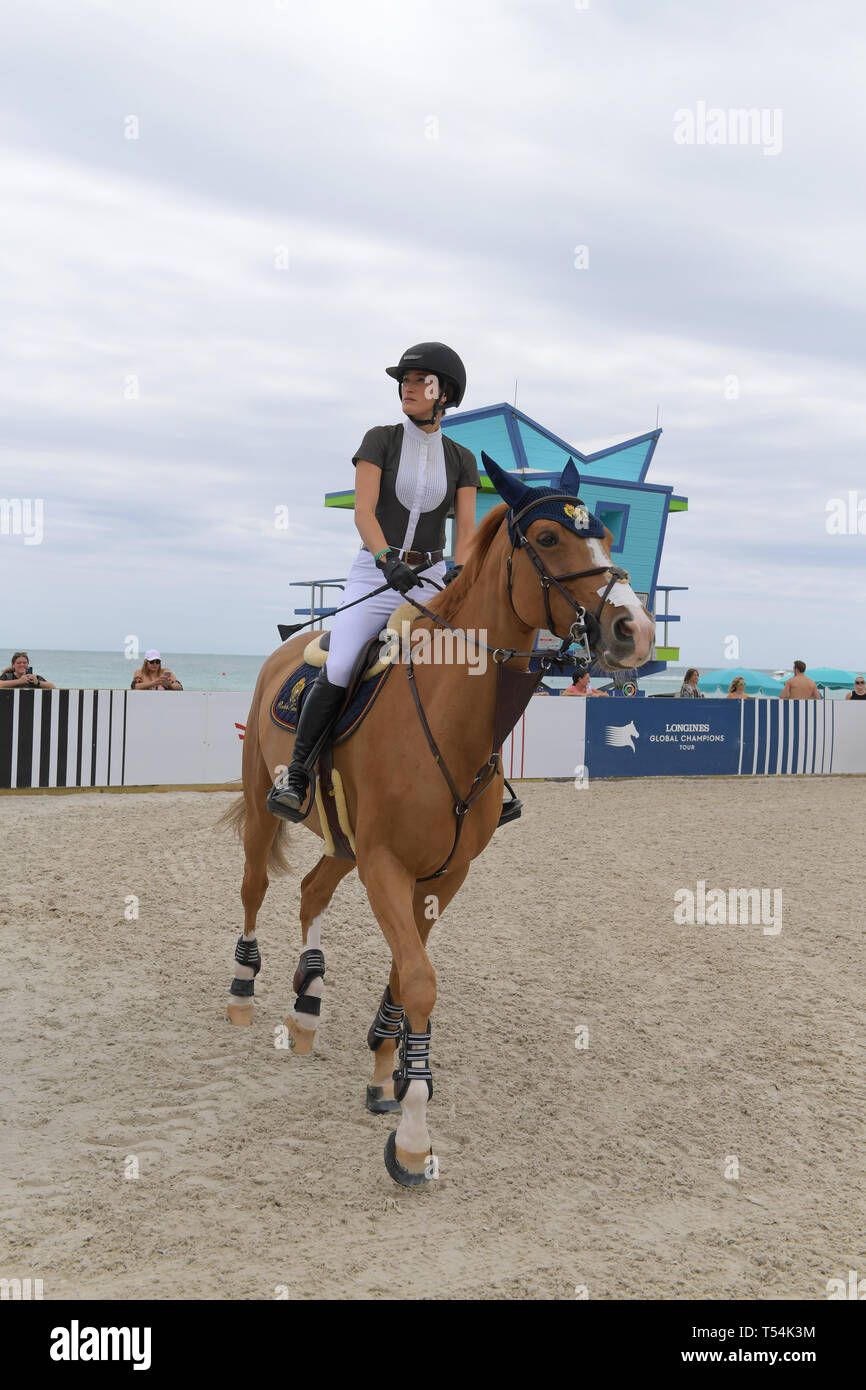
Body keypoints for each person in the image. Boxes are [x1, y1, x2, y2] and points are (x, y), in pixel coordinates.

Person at [268, 342, 479, 819]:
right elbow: (363, 511)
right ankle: (297, 775)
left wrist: (461, 574)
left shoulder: (462, 458)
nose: (407, 385)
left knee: (468, 662)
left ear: (444, 394)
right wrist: (386, 559)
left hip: (432, 576)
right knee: (341, 664)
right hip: (375, 572)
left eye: (420, 379)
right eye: (404, 379)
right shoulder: (379, 439)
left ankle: (488, 780)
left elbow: (465, 529)